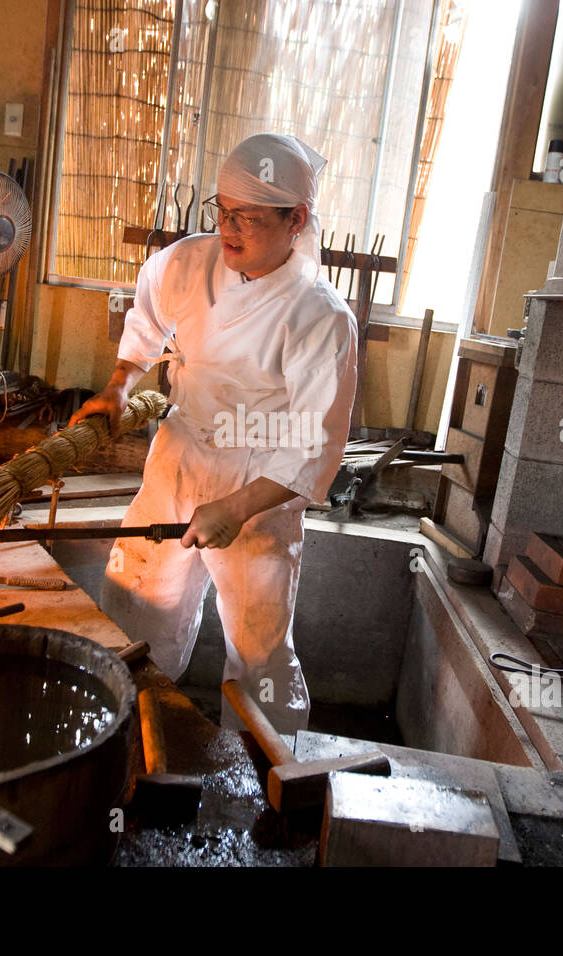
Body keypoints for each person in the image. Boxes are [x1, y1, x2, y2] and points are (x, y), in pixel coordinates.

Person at [67, 133, 358, 734]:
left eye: (247, 217)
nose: (228, 228)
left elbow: (314, 444)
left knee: (258, 645)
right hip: (179, 453)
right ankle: (126, 732)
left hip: (259, 486)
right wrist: (120, 383)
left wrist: (238, 507)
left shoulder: (320, 316)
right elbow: (146, 314)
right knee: (138, 598)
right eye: (221, 211)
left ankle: (264, 769)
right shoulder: (190, 263)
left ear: (296, 219)